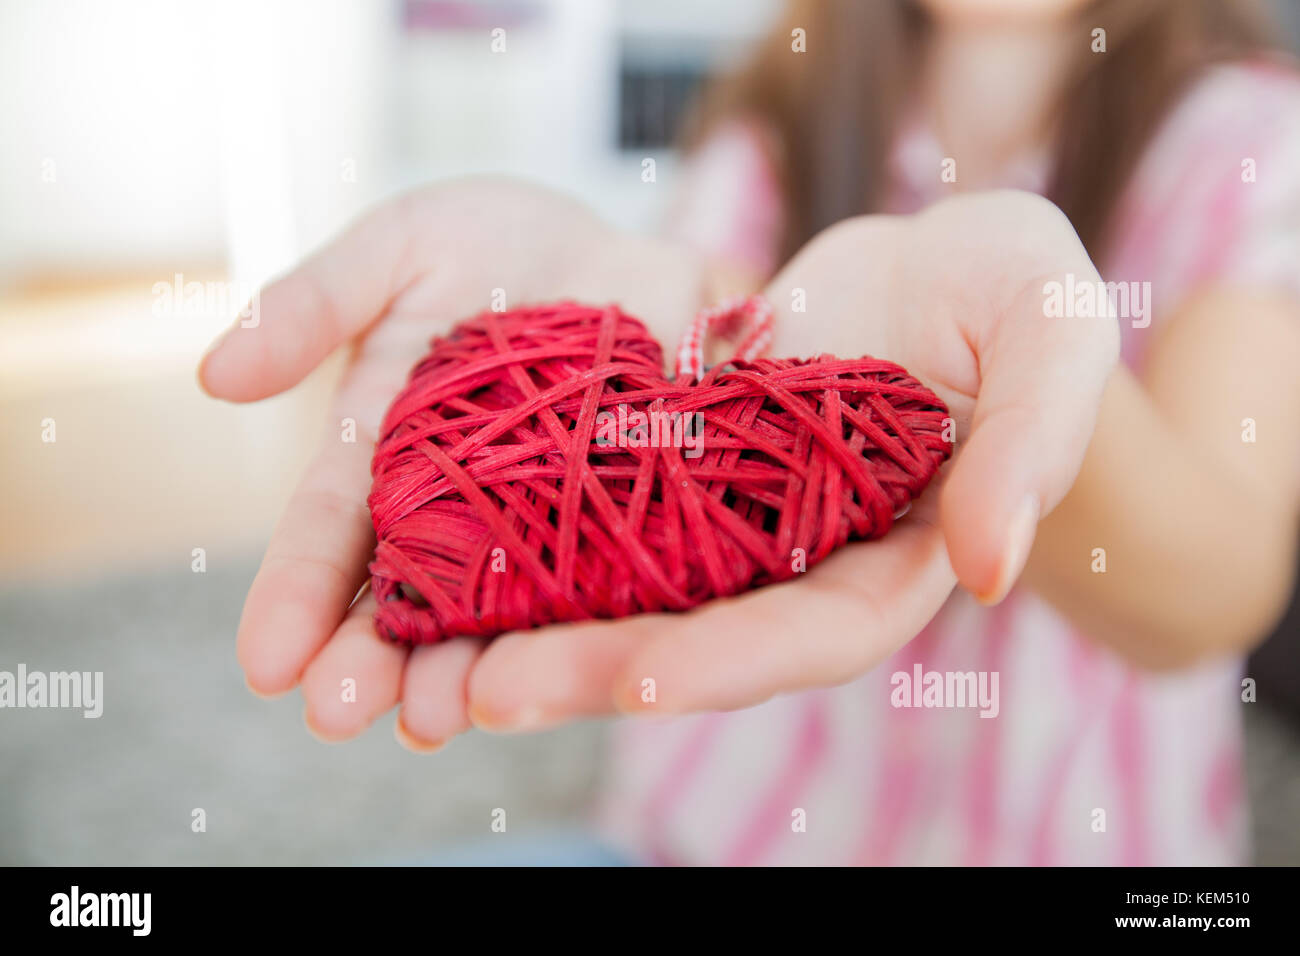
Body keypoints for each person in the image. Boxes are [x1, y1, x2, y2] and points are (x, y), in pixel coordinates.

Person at [200, 0, 1300, 864]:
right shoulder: (773, 119)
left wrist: (1028, 386)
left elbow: (1218, 586)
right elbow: (701, 345)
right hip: (710, 838)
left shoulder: (1253, 148)